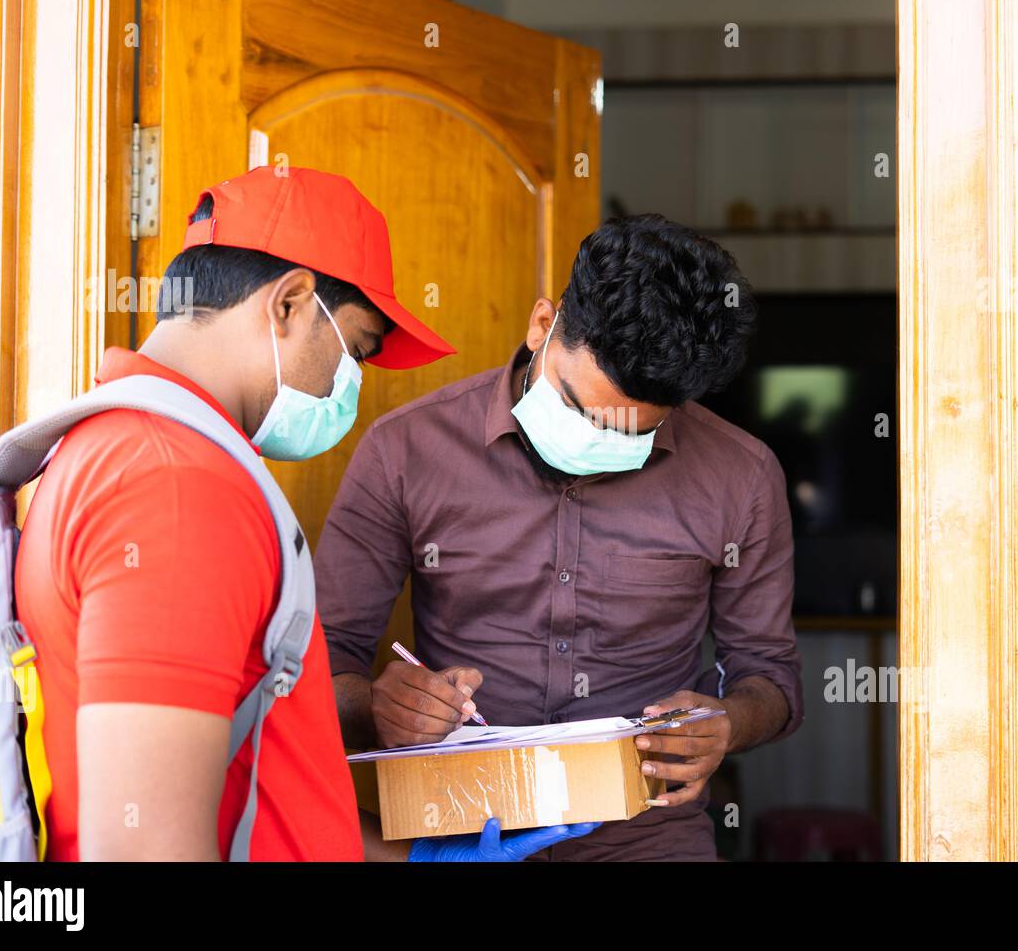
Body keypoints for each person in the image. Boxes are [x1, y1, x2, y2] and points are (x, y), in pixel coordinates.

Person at [14, 165, 595, 860]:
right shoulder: (174, 489)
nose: (348, 385)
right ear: (290, 302)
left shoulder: (126, 447)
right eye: (354, 349)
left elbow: (252, 794)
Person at [316, 213, 804, 861]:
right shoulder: (406, 452)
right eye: (578, 410)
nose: (597, 446)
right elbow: (319, 658)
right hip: (453, 834)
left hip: (647, 840)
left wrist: (727, 724)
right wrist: (378, 704)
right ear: (542, 326)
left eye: (630, 434)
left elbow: (769, 677)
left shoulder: (739, 477)